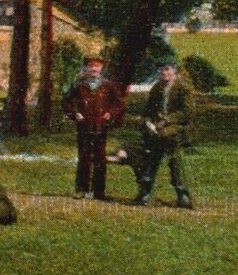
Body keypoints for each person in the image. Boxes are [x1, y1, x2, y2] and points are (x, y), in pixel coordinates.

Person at [62, 55, 127, 199]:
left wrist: (110, 113)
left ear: (101, 68)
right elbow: (66, 102)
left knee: (100, 159)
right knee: (84, 158)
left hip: (100, 127)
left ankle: (99, 192)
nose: (94, 69)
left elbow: (119, 103)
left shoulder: (108, 85)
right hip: (84, 126)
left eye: (97, 66)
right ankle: (81, 189)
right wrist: (75, 114)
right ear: (86, 68)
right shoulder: (79, 85)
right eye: (91, 66)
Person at [133, 61, 195, 209]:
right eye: (161, 70)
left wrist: (167, 120)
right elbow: (148, 110)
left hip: (177, 129)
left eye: (167, 70)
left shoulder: (183, 87)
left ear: (174, 71)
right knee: (151, 159)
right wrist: (148, 122)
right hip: (157, 129)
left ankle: (182, 195)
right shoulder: (157, 87)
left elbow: (188, 112)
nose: (164, 73)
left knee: (174, 161)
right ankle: (145, 192)